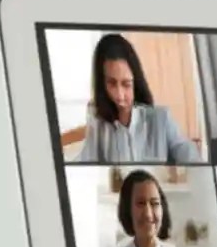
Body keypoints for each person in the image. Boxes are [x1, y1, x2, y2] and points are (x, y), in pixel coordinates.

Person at [76, 33, 200, 164]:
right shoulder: (98, 122)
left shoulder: (161, 118)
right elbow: (84, 161)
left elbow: (188, 153)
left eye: (126, 84)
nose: (119, 95)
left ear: (136, 82)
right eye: (111, 83)